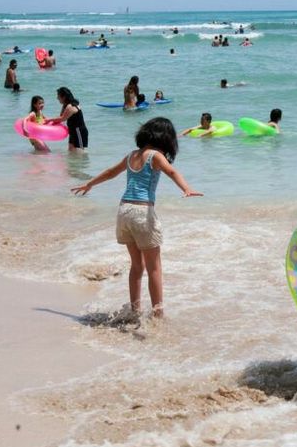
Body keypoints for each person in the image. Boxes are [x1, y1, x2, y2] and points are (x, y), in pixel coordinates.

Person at [72, 118, 202, 319]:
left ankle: (135, 310)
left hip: (124, 211)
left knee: (136, 265)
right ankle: (158, 315)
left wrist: (90, 184)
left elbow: (110, 172)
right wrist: (186, 188)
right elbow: (172, 171)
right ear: (164, 138)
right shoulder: (155, 155)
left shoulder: (132, 155)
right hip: (142, 212)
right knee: (154, 268)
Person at [57, 86, 88, 152]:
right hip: (73, 131)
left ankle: (83, 162)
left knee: (80, 152)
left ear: (64, 97)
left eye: (58, 96)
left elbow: (62, 119)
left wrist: (48, 120)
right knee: (71, 151)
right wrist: (63, 105)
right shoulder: (67, 105)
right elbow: (61, 116)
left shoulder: (71, 106)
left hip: (79, 131)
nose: (57, 98)